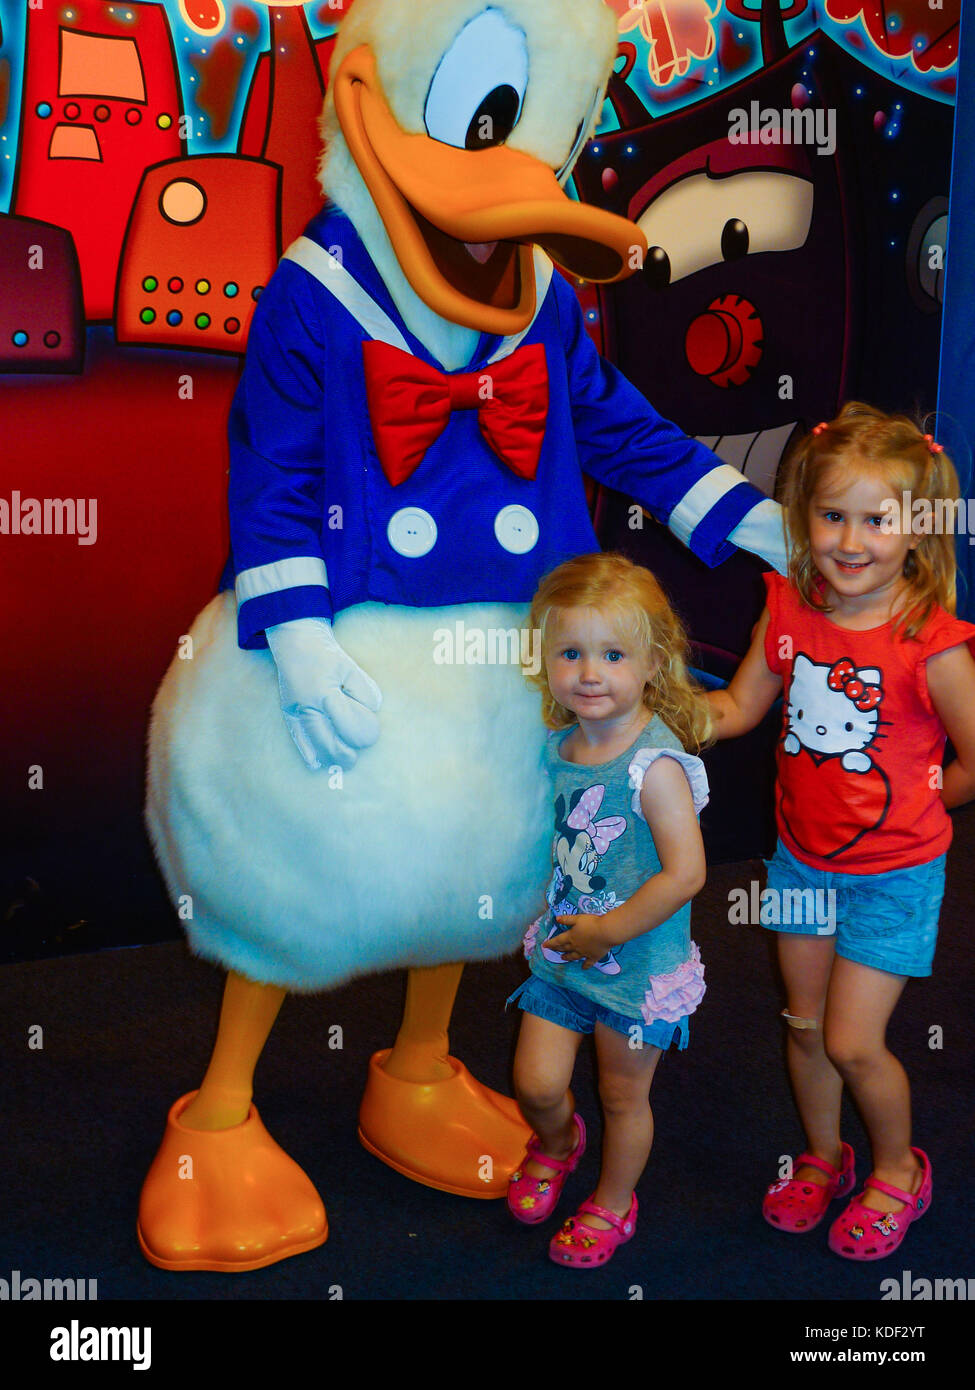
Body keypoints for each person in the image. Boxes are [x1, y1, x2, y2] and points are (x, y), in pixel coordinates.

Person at [708, 402, 975, 1261]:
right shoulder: (786, 610)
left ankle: (897, 1168)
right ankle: (822, 1157)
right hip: (801, 866)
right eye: (831, 516)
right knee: (803, 1024)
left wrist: (923, 809)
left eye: (875, 519)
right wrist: (652, 713)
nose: (849, 540)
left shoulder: (929, 642)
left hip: (896, 877)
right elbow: (740, 706)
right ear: (803, 516)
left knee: (856, 1043)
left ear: (914, 528)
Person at [506, 552, 711, 1268]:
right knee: (535, 1082)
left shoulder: (653, 767)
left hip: (634, 965)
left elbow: (686, 874)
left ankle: (612, 1202)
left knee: (623, 1097)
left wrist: (608, 930)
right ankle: (558, 1143)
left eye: (612, 654)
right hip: (564, 955)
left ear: (652, 662)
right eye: (571, 653)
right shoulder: (558, 746)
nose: (589, 673)